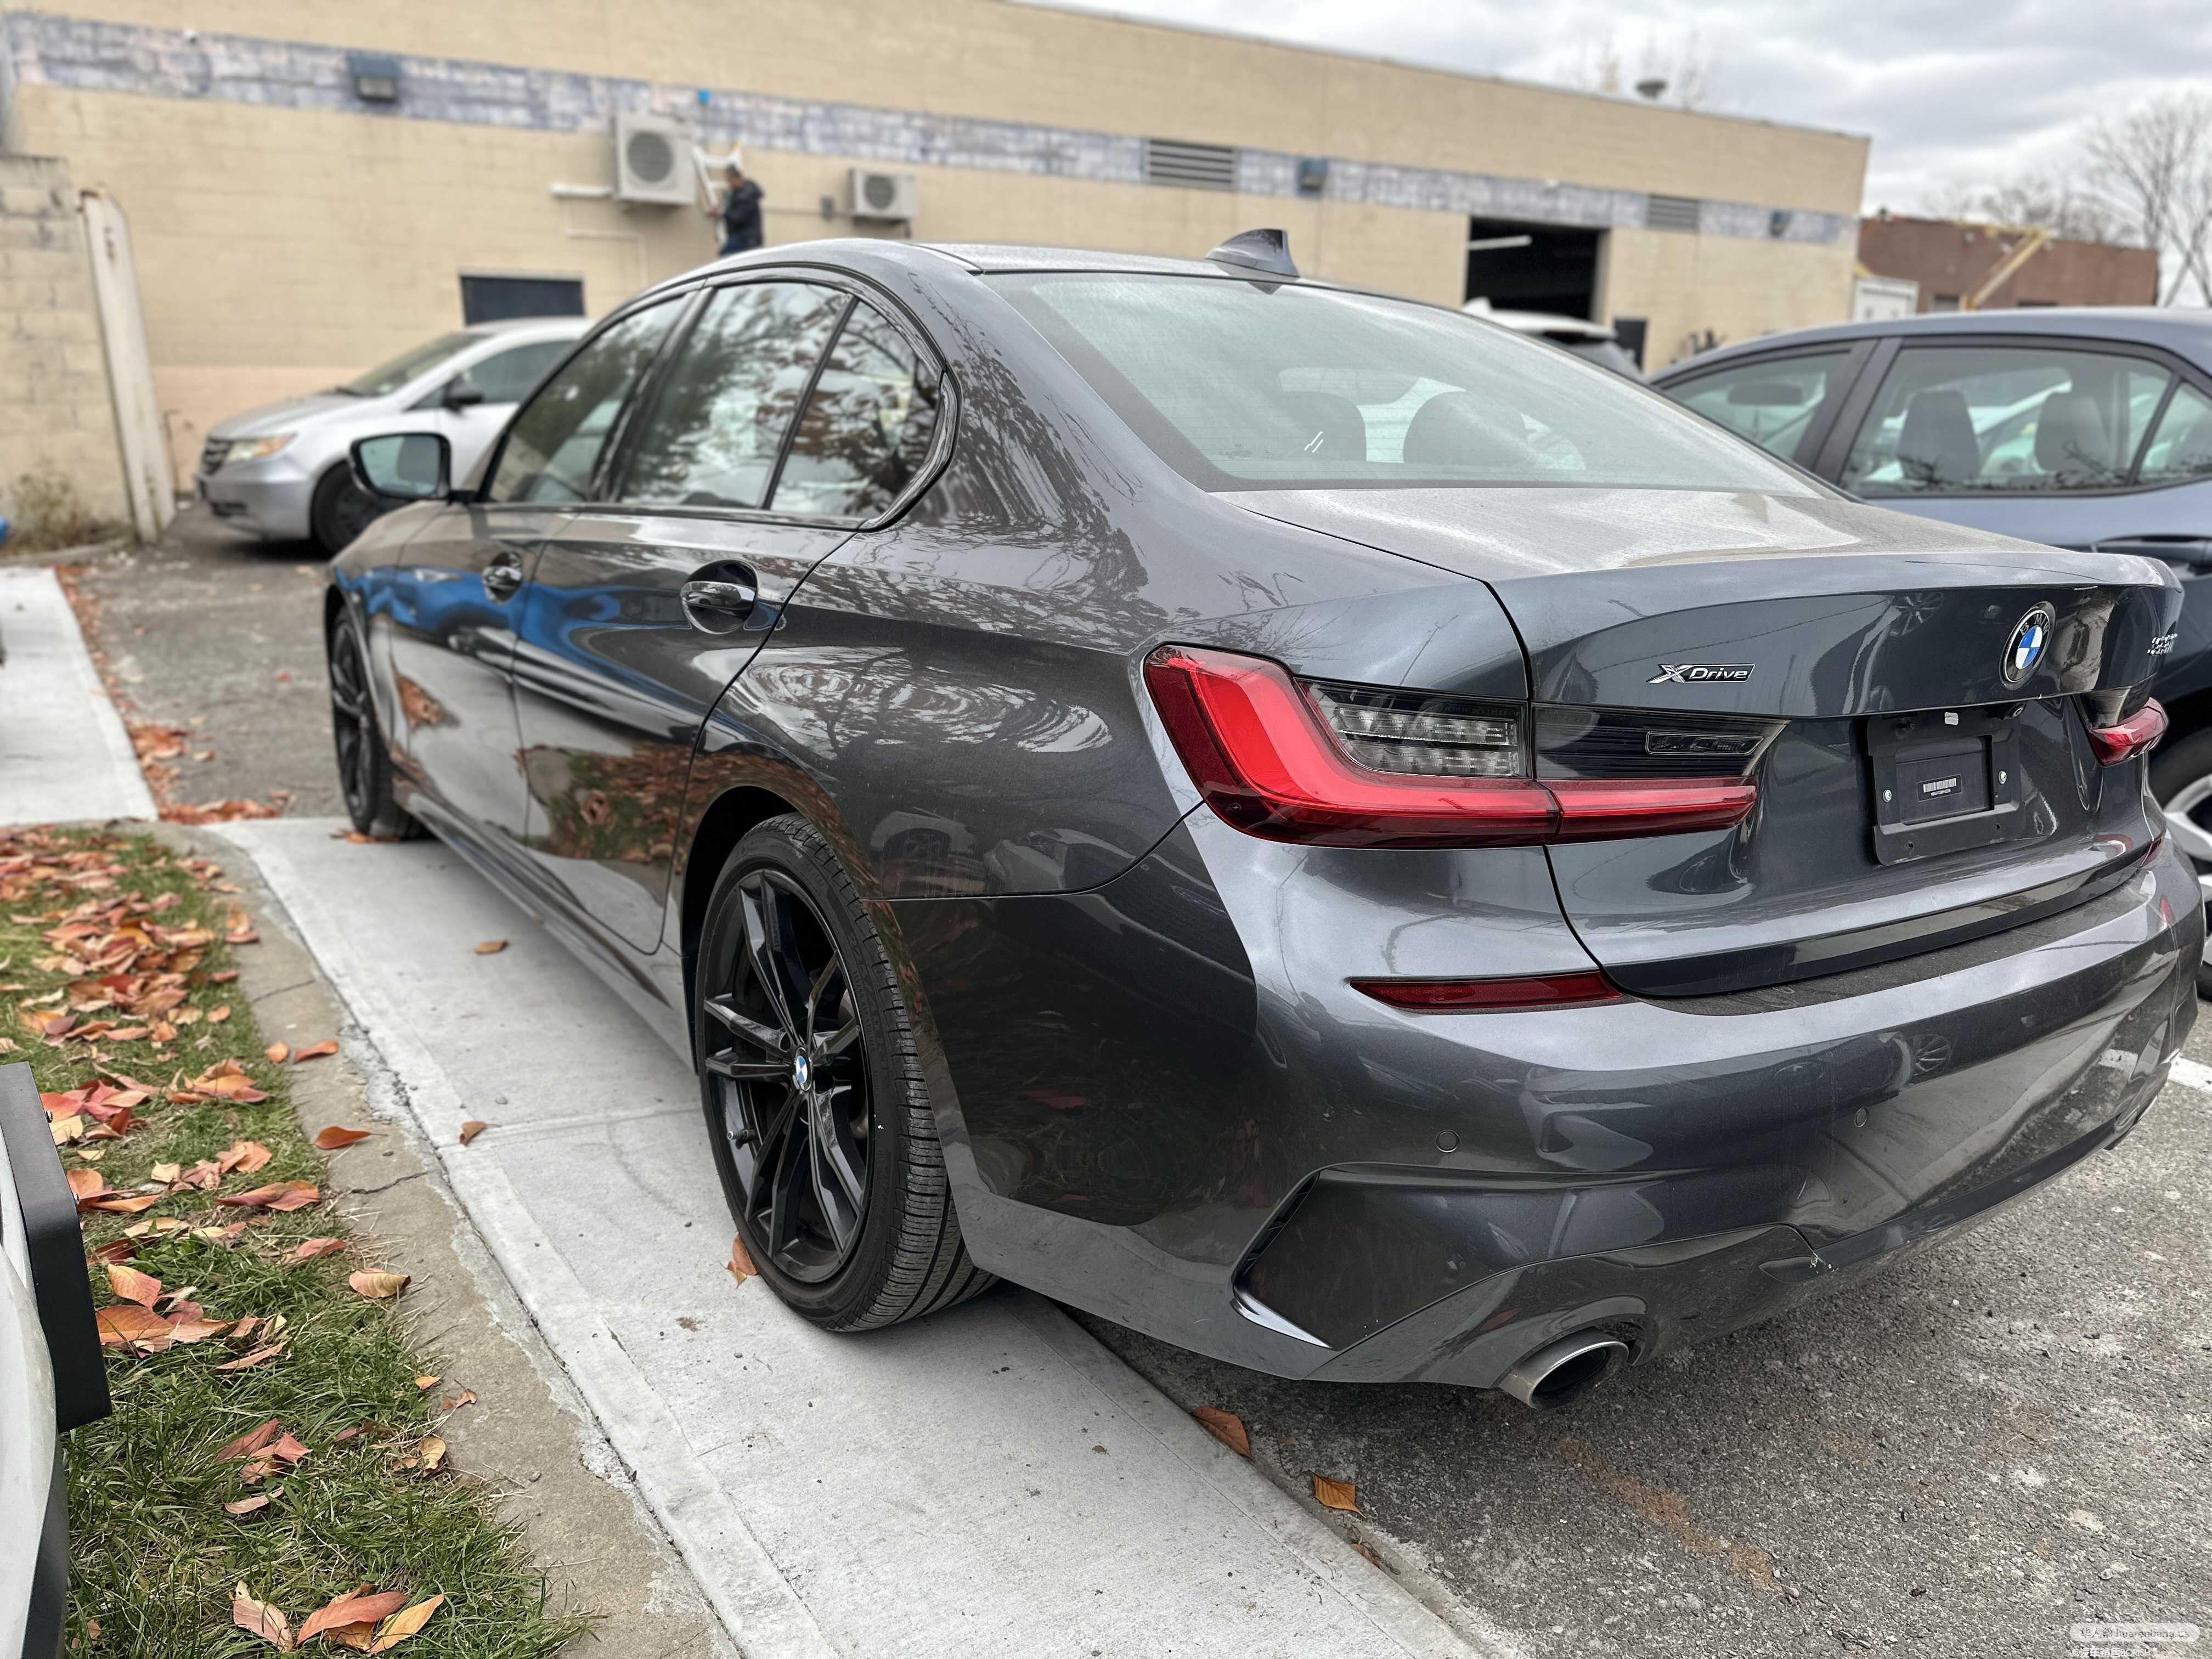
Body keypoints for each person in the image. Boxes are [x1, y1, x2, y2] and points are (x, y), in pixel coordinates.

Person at [714, 160, 765, 257]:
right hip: (742, 237)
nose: (729, 183)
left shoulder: (747, 194)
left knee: (725, 258)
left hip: (747, 239)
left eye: (729, 180)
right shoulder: (737, 192)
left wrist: (723, 212)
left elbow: (738, 217)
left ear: (736, 178)